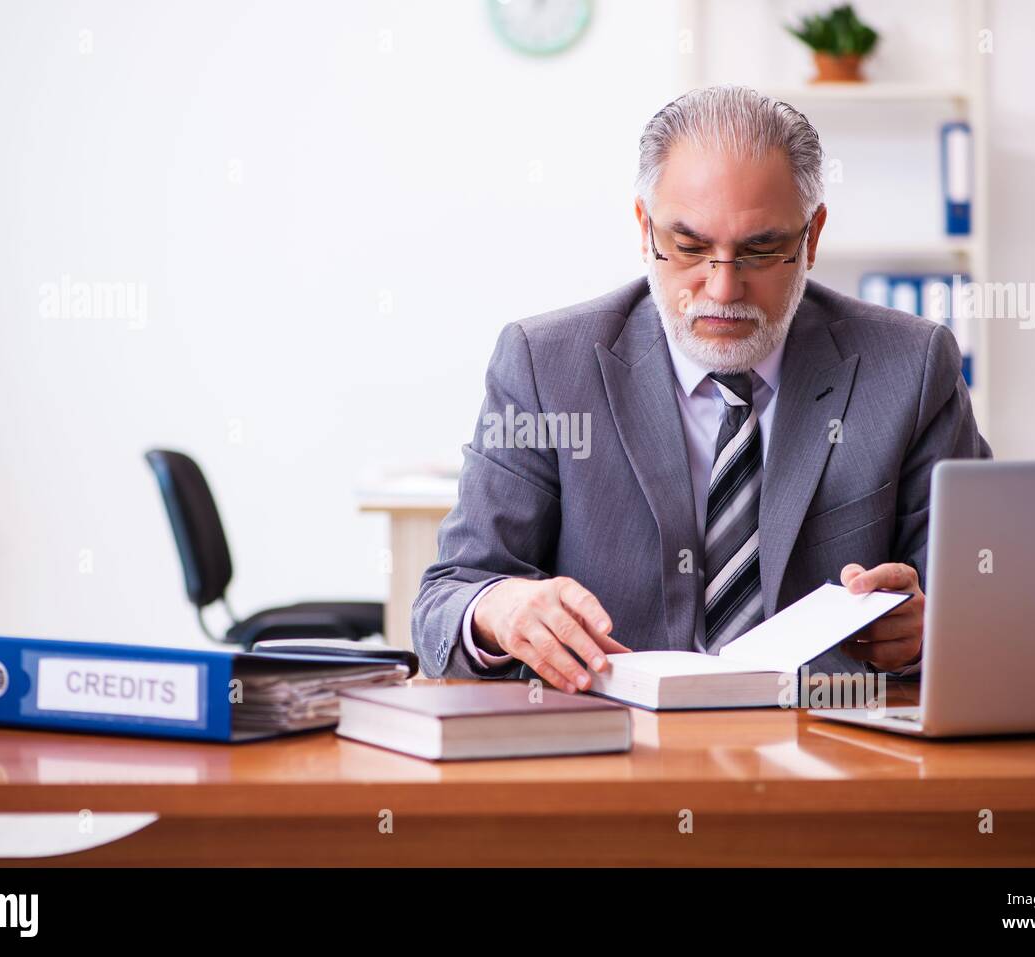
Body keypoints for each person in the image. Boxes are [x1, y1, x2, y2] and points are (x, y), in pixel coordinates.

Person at [412, 84, 991, 691]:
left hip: (829, 758)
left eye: (761, 251)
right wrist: (498, 610)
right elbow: (443, 603)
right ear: (645, 229)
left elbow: (989, 596)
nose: (721, 289)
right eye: (688, 247)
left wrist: (934, 632)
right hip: (612, 753)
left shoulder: (911, 367)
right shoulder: (545, 367)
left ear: (812, 238)